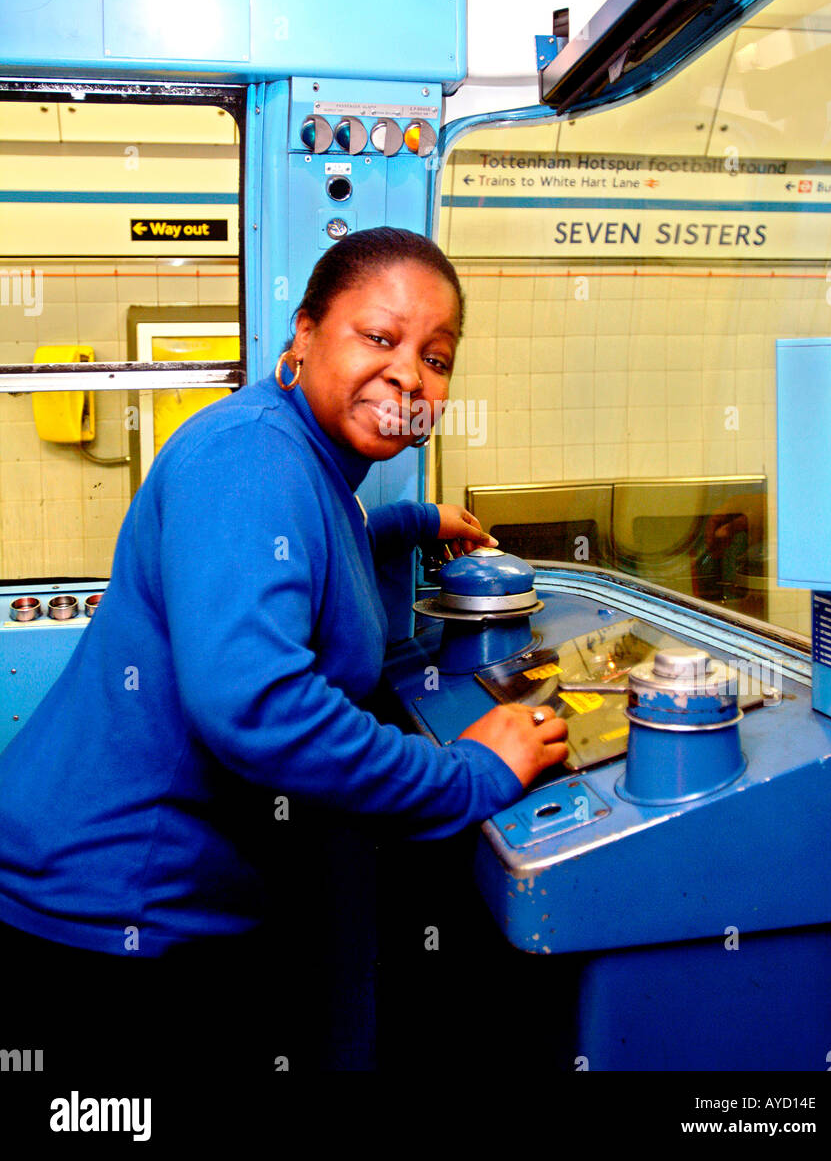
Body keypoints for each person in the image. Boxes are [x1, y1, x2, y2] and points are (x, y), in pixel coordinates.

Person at [0, 227, 567, 1079]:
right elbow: (257, 706)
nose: (411, 375)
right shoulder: (250, 457)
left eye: (438, 359)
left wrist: (413, 524)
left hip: (132, 896)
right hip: (107, 915)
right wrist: (466, 776)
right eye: (380, 338)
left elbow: (304, 554)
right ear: (302, 334)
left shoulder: (305, 462)